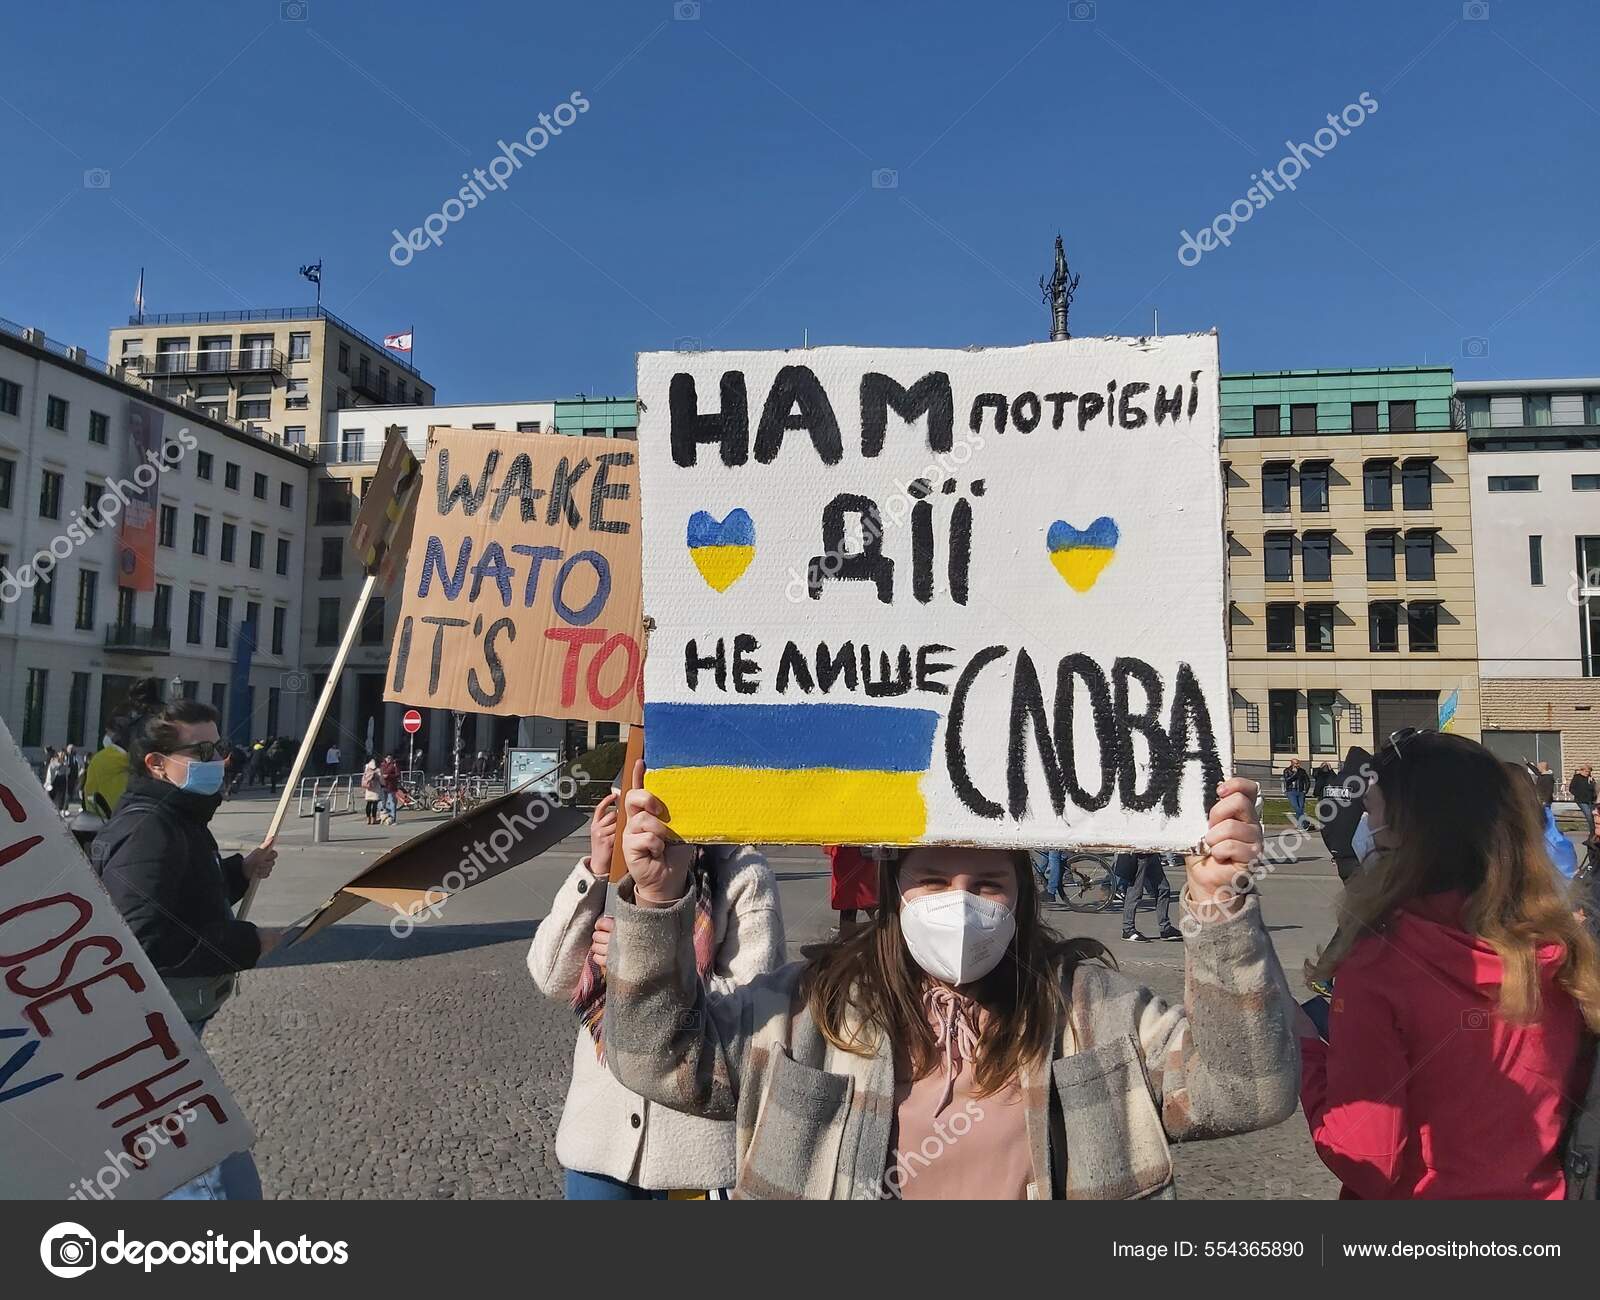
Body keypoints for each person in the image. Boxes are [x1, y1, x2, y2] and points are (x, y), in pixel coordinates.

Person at [603, 766, 1297, 1199]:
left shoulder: (1093, 1010)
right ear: (893, 893)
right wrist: (659, 903)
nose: (959, 904)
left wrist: (1220, 910)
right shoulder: (806, 1011)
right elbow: (655, 1057)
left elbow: (1246, 1091)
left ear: (1021, 898)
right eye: (933, 880)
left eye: (987, 884)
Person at [1297, 730, 1600, 1199]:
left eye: (1372, 808)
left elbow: (1368, 1157)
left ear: (1402, 829)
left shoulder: (1380, 964)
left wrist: (1307, 1054)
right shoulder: (1563, 948)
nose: (1364, 820)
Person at [528, 793, 785, 1199]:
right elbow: (550, 975)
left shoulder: (741, 872)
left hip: (696, 1151)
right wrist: (594, 869)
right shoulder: (613, 865)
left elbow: (754, 1013)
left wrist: (643, 957)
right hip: (601, 1141)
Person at [91, 695, 280, 1200]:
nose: (219, 760)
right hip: (160, 1024)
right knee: (212, 1168)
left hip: (177, 1020)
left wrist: (237, 873)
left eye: (220, 747)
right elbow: (143, 940)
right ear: (157, 763)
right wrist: (246, 943)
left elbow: (181, 894)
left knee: (199, 1157)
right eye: (202, 751)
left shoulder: (176, 816)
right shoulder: (149, 826)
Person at [1117, 851, 1182, 943]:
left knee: (1163, 888)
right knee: (1135, 891)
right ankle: (1128, 929)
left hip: (1150, 853)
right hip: (1138, 854)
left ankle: (1165, 928)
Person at [826, 844, 879, 934]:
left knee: (853, 900)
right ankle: (882, 926)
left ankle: (846, 934)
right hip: (852, 853)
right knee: (859, 899)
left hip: (850, 852)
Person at [1281, 757, 1310, 829]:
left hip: (1300, 791)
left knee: (1301, 807)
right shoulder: (1287, 771)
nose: (1298, 765)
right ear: (1292, 764)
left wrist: (1305, 790)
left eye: (1298, 763)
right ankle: (1305, 822)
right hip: (1291, 791)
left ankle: (1301, 825)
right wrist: (1295, 773)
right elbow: (1287, 780)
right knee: (1296, 807)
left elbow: (1307, 781)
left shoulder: (1302, 771)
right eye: (1296, 763)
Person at [1571, 764, 1595, 837]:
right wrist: (1578, 795)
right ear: (1582, 771)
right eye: (1586, 771)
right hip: (1581, 800)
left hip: (1590, 800)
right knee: (1589, 815)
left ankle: (1594, 831)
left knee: (1593, 815)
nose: (1587, 773)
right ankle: (1593, 832)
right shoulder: (1577, 778)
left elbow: (1593, 789)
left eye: (1589, 772)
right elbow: (1571, 788)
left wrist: (1591, 783)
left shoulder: (1590, 779)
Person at [379, 753, 401, 824]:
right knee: (382, 803)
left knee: (392, 802)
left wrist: (388, 776)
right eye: (387, 758)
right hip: (383, 786)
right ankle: (384, 817)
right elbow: (381, 773)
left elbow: (397, 774)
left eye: (390, 758)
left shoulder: (394, 765)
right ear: (385, 758)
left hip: (391, 786)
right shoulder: (382, 765)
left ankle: (393, 818)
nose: (389, 759)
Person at [361, 757, 382, 825]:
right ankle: (374, 819)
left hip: (368, 788)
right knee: (374, 804)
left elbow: (364, 777)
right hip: (375, 788)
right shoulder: (377, 770)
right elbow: (380, 779)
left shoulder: (367, 768)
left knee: (368, 804)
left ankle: (368, 819)